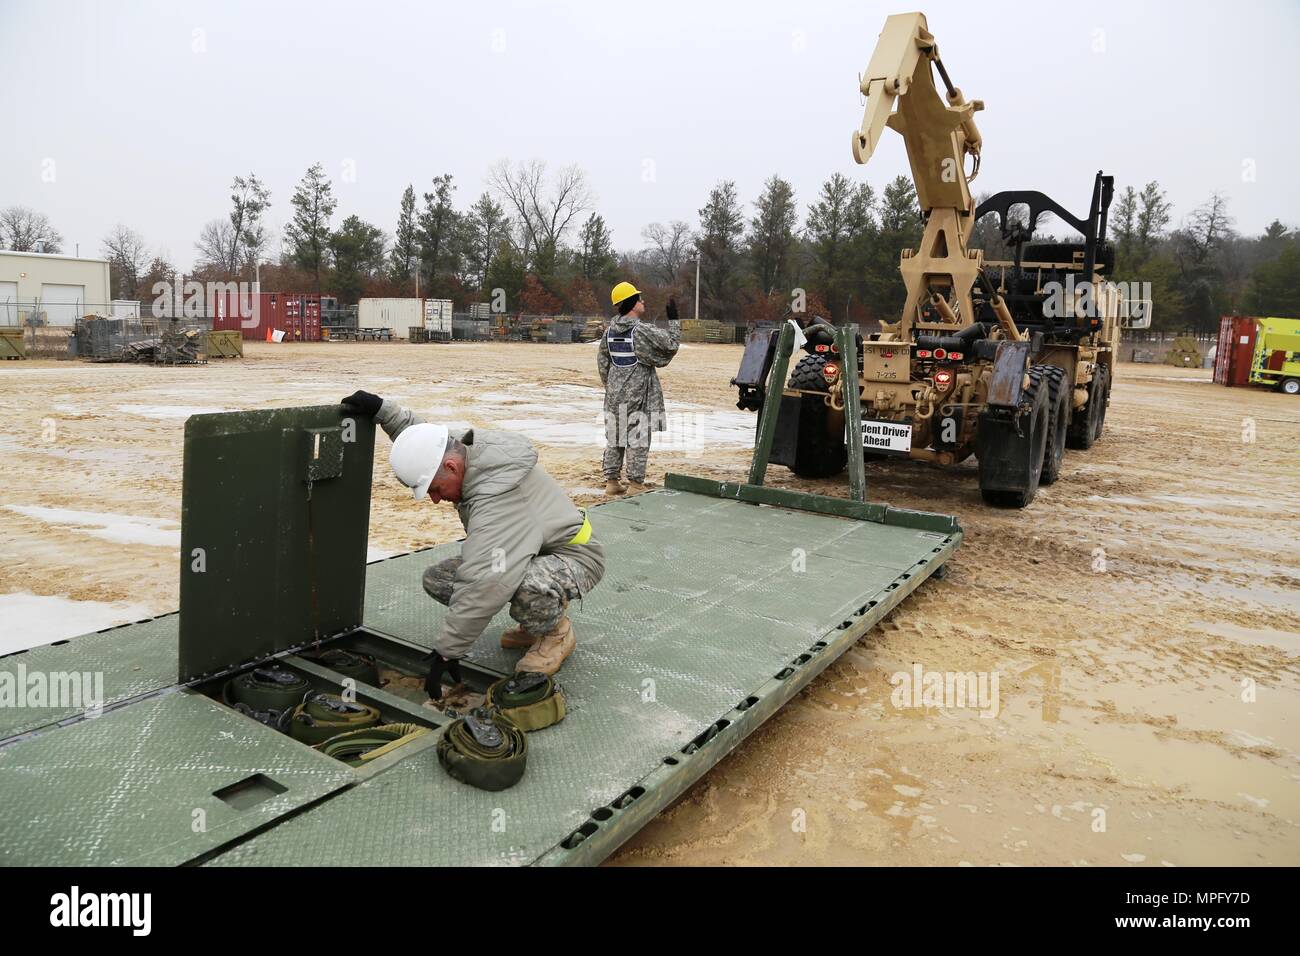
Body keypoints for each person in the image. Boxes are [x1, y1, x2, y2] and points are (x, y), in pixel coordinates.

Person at [340, 390, 605, 698]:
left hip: (574, 557)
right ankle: (533, 622)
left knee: (514, 585)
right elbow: (424, 440)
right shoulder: (462, 452)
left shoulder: (497, 499)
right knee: (439, 580)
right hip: (534, 549)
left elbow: (486, 581)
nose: (436, 499)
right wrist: (383, 410)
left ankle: (556, 633)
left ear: (451, 469)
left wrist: (446, 653)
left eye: (436, 489)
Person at [597, 282, 680, 496]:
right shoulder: (641, 331)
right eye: (639, 298)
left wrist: (612, 386)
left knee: (615, 436)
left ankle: (612, 481)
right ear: (632, 304)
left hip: (614, 394)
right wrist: (673, 320)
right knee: (638, 437)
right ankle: (635, 484)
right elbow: (670, 346)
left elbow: (603, 362)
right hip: (639, 392)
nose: (643, 301)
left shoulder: (609, 332)